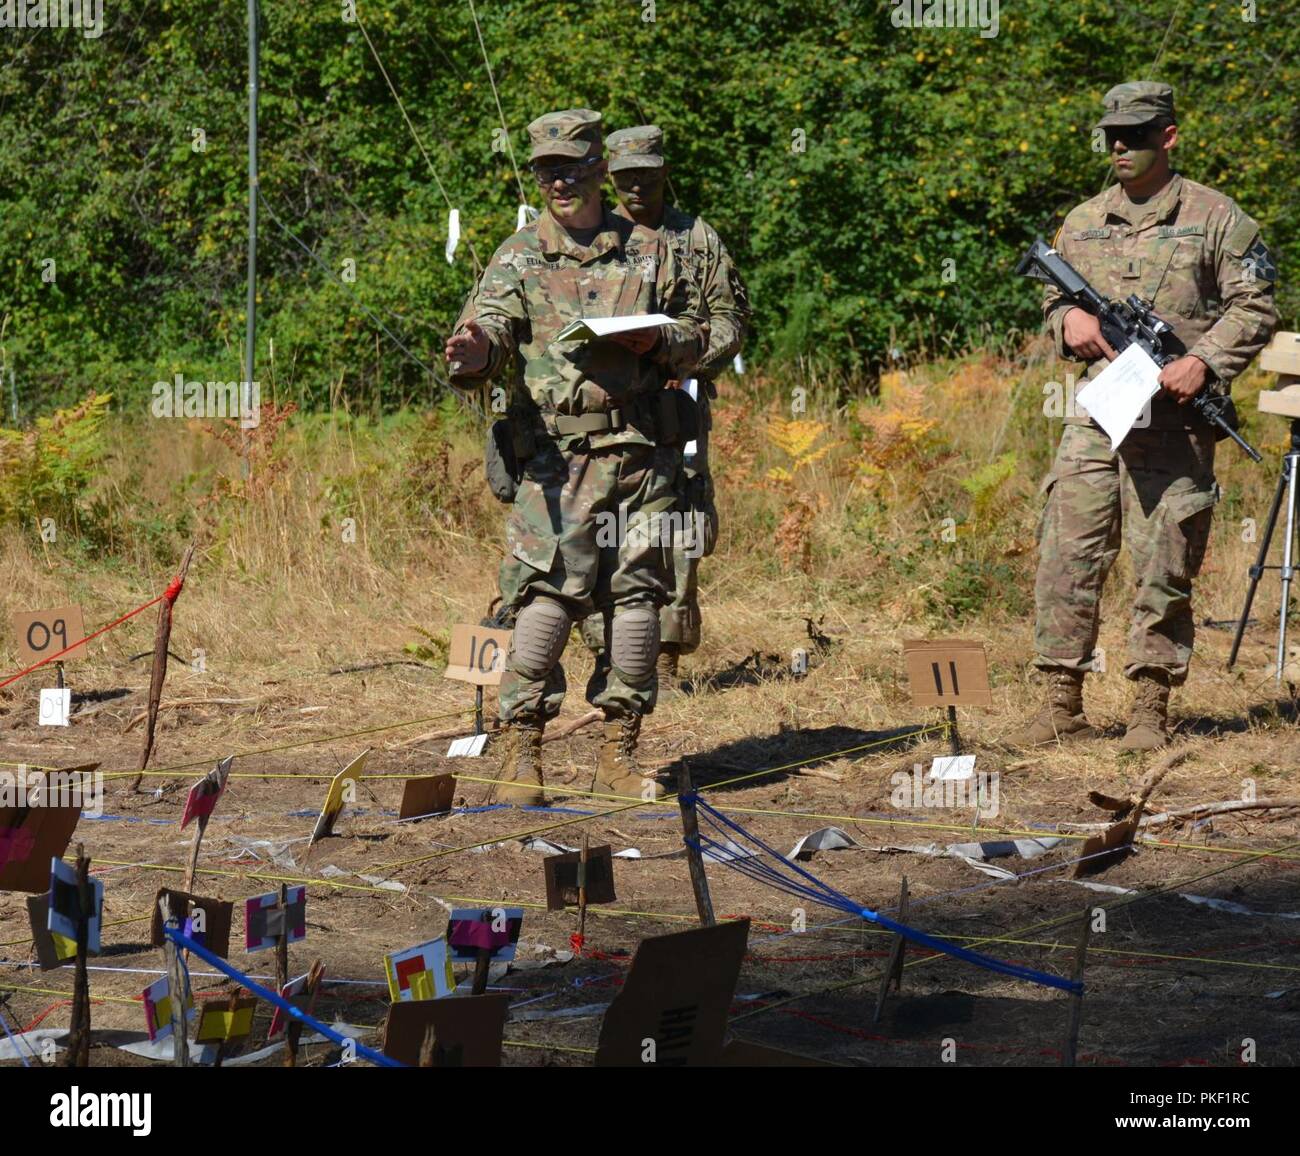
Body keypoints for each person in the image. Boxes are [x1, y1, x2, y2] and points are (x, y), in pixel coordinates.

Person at [445, 109, 707, 802]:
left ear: (599, 169)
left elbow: (704, 331)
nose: (560, 181)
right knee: (542, 597)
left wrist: (667, 343)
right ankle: (519, 754)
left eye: (571, 167)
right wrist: (474, 354)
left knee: (636, 602)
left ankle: (618, 755)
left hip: (640, 455)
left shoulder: (649, 248)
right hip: (556, 464)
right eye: (546, 170)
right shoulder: (519, 254)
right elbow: (488, 331)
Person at [1010, 82, 1277, 751]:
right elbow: (1051, 294)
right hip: (1100, 413)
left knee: (1164, 560)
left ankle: (1149, 709)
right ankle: (1059, 702)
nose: (1120, 147)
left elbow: (1258, 305)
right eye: (1111, 136)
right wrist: (1064, 318)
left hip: (1178, 419)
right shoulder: (1081, 221)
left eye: (1135, 134)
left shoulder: (1217, 218)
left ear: (1169, 136)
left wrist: (1206, 361)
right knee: (1067, 547)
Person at [578, 124, 750, 688]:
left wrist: (688, 355)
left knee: (680, 524)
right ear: (609, 178)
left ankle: (667, 656)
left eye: (646, 179)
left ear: (663, 174)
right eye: (625, 179)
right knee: (605, 523)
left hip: (678, 404)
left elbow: (731, 320)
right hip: (606, 409)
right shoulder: (591, 238)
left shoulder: (698, 239)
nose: (635, 190)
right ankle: (610, 651)